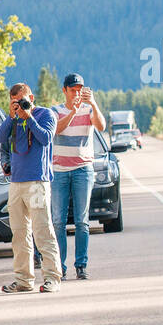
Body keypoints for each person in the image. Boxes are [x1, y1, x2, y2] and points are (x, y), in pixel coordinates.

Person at [0, 83, 62, 293]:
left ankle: (52, 278)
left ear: (31, 97)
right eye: (15, 102)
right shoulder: (14, 119)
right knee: (19, 233)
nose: (20, 105)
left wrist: (28, 117)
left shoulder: (46, 114)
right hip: (16, 182)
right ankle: (24, 280)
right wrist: (12, 116)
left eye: (23, 100)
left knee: (42, 230)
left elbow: (46, 137)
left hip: (37, 182)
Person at [51, 73, 105, 280]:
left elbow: (101, 126)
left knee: (82, 221)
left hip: (83, 169)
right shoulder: (55, 110)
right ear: (64, 90)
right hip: (60, 171)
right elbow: (56, 130)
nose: (76, 93)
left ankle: (81, 265)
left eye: (79, 90)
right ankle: (60, 268)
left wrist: (93, 103)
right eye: (72, 89)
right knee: (58, 221)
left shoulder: (89, 108)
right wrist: (72, 112)